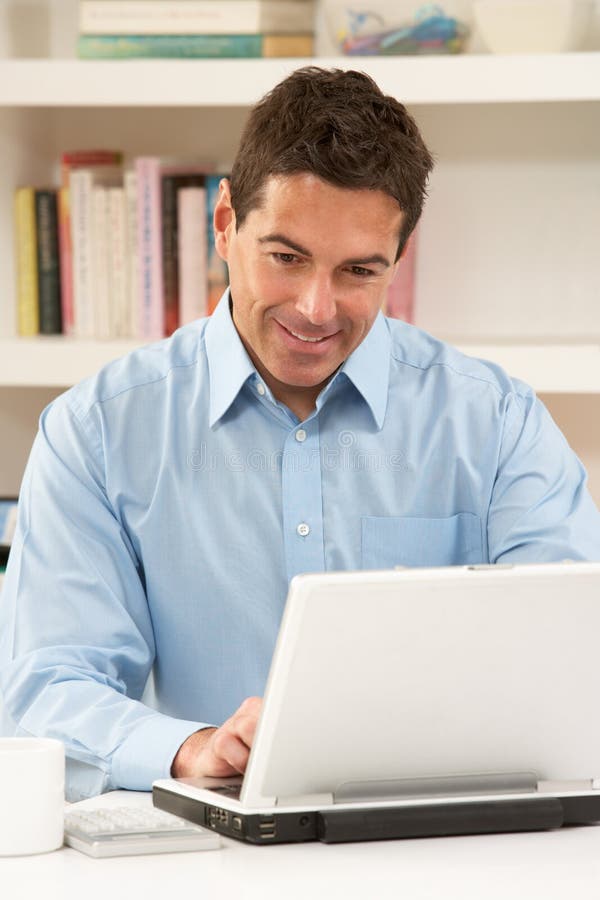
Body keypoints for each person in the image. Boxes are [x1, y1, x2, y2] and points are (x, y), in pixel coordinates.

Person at [1, 67, 599, 800]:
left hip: (444, 836)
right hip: (207, 849)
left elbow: (574, 666)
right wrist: (190, 748)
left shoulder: (497, 423)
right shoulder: (95, 432)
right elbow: (47, 692)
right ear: (225, 224)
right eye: (285, 257)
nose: (317, 307)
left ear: (397, 261)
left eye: (358, 270)